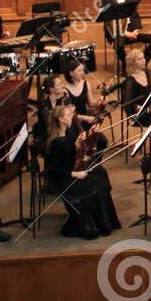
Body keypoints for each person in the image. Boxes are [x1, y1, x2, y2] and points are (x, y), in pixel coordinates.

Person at [42, 101, 119, 237]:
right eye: (67, 115)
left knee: (100, 180)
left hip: (72, 173)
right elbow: (53, 170)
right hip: (64, 180)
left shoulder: (67, 136)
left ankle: (105, 224)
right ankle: (98, 224)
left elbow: (72, 156)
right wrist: (76, 174)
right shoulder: (56, 142)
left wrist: (83, 145)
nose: (71, 117)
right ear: (60, 120)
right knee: (98, 184)